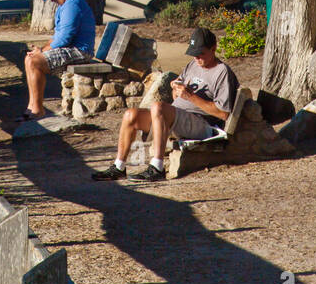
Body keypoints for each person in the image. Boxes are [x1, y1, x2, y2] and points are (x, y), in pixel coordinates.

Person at [91, 26, 239, 182]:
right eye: (194, 54)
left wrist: (190, 96)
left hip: (202, 125)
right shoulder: (193, 65)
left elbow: (223, 113)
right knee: (131, 115)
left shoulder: (222, 72)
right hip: (177, 118)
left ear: (213, 48)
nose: (197, 58)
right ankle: (119, 167)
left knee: (158, 107)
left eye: (201, 54)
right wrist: (175, 88)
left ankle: (157, 167)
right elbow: (177, 97)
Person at [18, 0, 96, 122]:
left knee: (35, 62)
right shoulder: (64, 7)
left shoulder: (73, 4)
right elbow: (57, 36)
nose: (52, 0)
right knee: (29, 58)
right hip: (71, 48)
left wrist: (42, 51)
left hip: (81, 50)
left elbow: (65, 38)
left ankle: (38, 110)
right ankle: (31, 107)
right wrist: (40, 49)